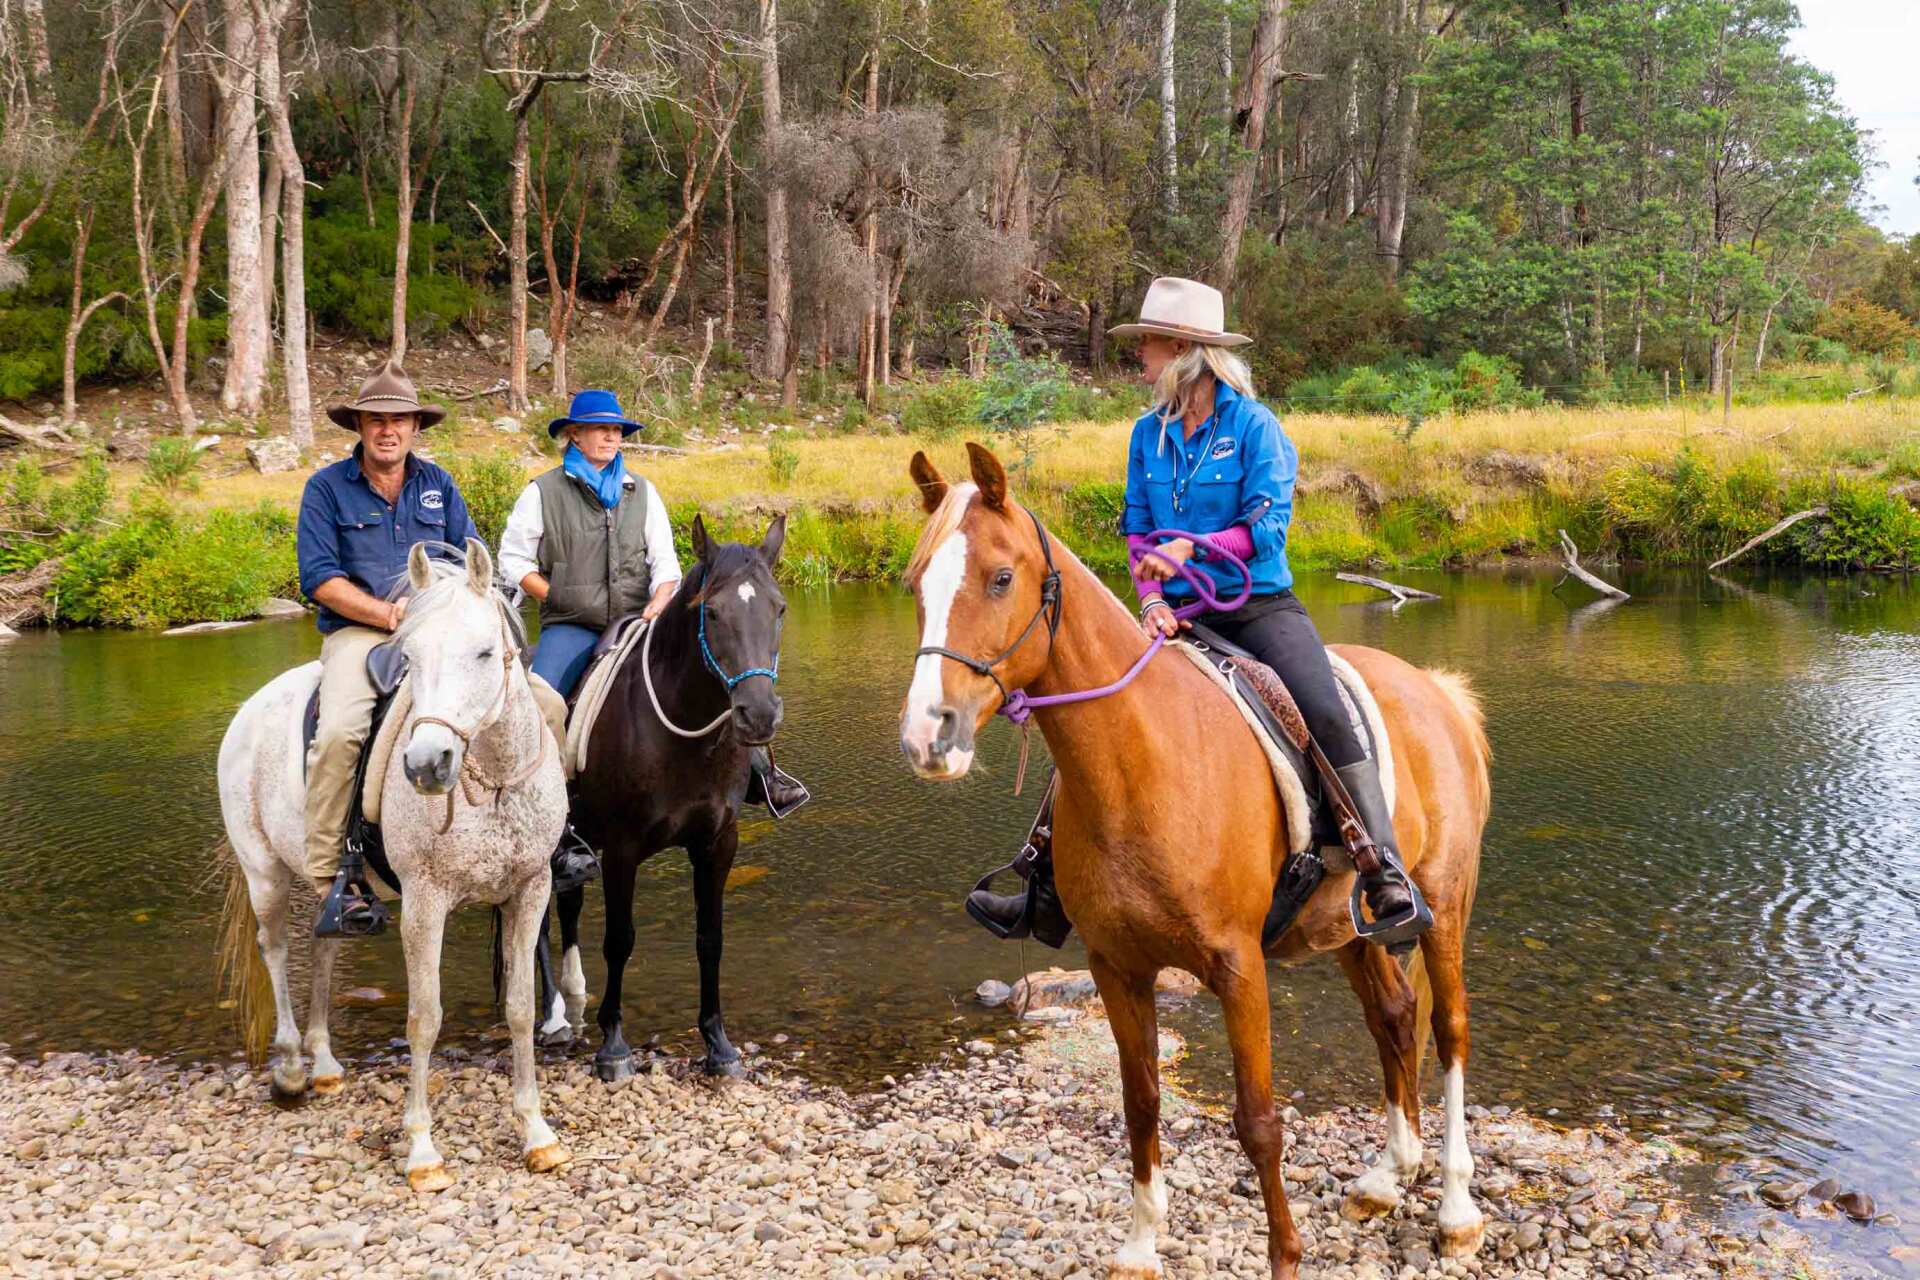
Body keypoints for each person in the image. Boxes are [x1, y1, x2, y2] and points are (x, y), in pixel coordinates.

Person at [965, 277, 1426, 951]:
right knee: (1094, 718)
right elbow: (1137, 527)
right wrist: (1149, 598)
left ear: (1185, 350)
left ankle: (1381, 868)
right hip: (1174, 614)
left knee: (1320, 705)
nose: (1140, 357)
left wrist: (1191, 547)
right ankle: (1043, 882)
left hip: (1256, 608)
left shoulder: (1255, 428)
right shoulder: (1146, 436)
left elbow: (1265, 530)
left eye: (1149, 343)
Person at [497, 389, 809, 832]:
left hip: (641, 620)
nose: (611, 437)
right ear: (574, 435)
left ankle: (762, 773)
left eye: (617, 430)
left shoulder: (643, 492)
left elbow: (665, 562)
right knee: (542, 702)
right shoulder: (542, 492)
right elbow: (512, 561)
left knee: (725, 678)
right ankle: (550, 811)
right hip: (572, 625)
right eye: (600, 429)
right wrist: (555, 595)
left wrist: (661, 600)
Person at [296, 362, 476, 937]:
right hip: (362, 630)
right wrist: (387, 613)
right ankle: (333, 878)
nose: (388, 430)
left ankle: (551, 839)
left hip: (435, 631)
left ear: (415, 426)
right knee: (343, 729)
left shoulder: (439, 485)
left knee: (538, 703)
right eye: (376, 420)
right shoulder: (325, 488)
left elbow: (466, 559)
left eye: (399, 419)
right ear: (360, 426)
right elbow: (320, 578)